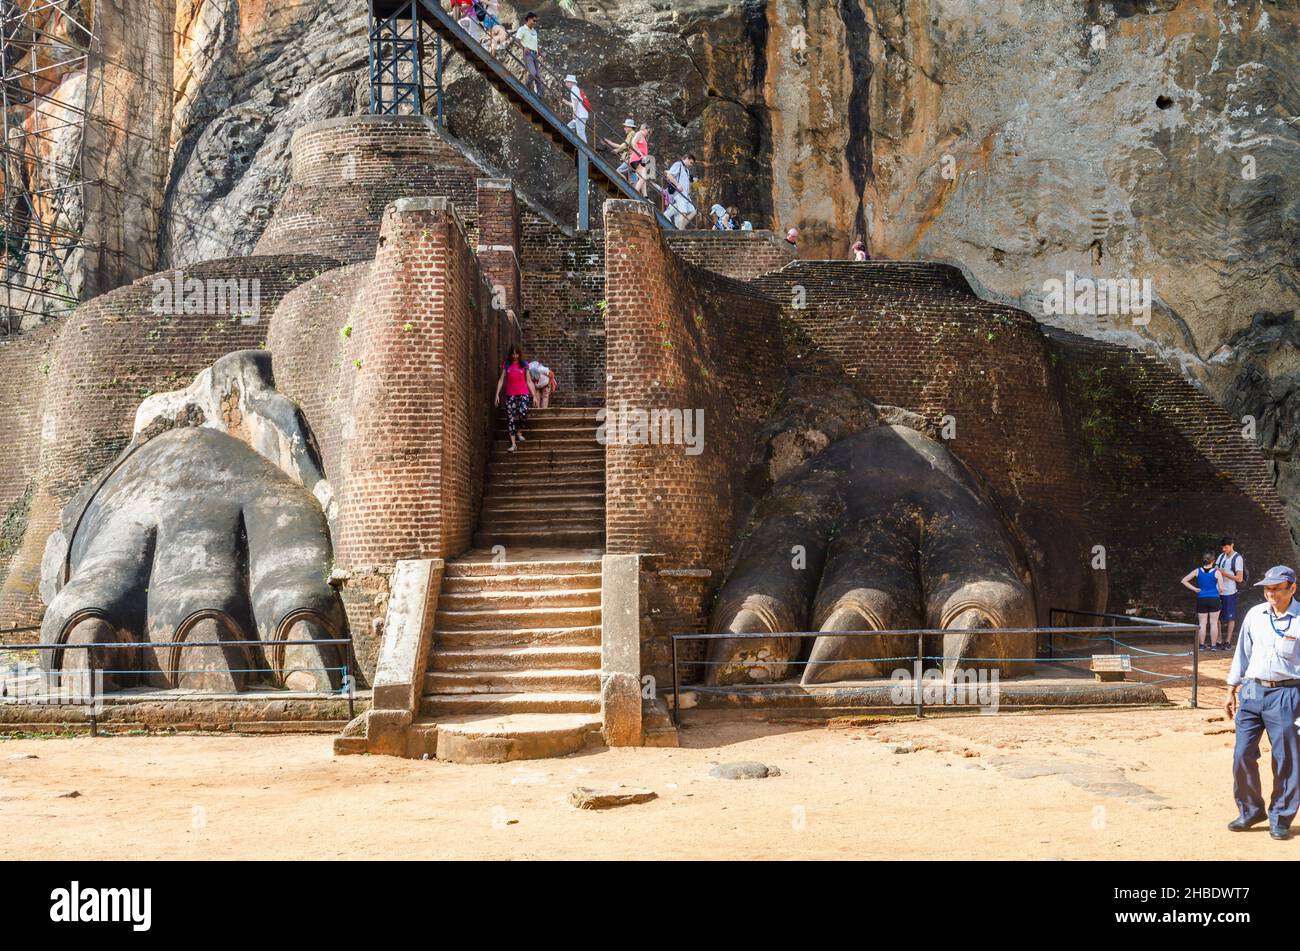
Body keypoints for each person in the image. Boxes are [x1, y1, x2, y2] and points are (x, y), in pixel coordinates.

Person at [1225, 565, 1300, 840]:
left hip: (1287, 693)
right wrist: (1231, 687)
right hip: (1252, 691)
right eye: (1267, 588)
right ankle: (1250, 810)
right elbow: (1242, 653)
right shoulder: (1255, 615)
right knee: (1242, 753)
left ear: (1292, 588)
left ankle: (1280, 816)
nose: (1271, 594)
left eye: (1277, 589)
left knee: (1286, 759)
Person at [1181, 551, 1225, 651]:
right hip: (1214, 599)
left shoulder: (1197, 571)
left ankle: (1201, 645)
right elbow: (1221, 589)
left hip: (1202, 598)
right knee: (1213, 623)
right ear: (1213, 561)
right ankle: (1213, 646)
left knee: (1202, 623)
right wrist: (1217, 590)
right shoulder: (1217, 572)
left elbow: (1183, 580)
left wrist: (1194, 588)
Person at [494, 346, 533, 451]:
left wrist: (534, 396)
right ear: (510, 354)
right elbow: (501, 380)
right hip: (510, 395)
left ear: (519, 354)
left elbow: (529, 381)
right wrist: (497, 394)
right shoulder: (506, 364)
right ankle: (513, 444)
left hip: (523, 393)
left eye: (517, 354)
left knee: (523, 412)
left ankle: (519, 431)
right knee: (510, 419)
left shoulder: (524, 364)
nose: (515, 356)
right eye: (513, 354)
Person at [1217, 536, 1246, 648]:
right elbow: (1216, 566)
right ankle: (1218, 640)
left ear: (1232, 545)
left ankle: (1228, 641)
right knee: (1217, 617)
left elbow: (1239, 578)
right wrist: (1216, 569)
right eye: (1223, 547)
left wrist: (1224, 574)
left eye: (1226, 547)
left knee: (1230, 617)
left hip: (1230, 591)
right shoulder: (1221, 556)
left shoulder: (1237, 558)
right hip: (1218, 590)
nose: (1224, 550)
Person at [514, 12, 543, 98]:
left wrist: (541, 53)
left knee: (538, 75)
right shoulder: (522, 29)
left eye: (536, 21)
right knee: (533, 73)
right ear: (529, 19)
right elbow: (516, 41)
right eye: (534, 20)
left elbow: (535, 44)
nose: (535, 23)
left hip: (535, 54)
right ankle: (527, 85)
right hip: (528, 54)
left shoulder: (534, 31)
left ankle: (539, 94)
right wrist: (523, 47)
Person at [664, 153, 697, 228]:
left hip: (685, 195)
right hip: (679, 194)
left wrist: (692, 182)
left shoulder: (687, 170)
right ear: (687, 159)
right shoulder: (678, 164)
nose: (691, 165)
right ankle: (681, 232)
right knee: (683, 212)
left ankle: (679, 228)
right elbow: (669, 175)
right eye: (691, 162)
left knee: (693, 211)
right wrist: (677, 185)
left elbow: (685, 184)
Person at [602, 119, 638, 185]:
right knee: (632, 174)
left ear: (630, 127)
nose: (624, 128)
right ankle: (636, 189)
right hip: (634, 159)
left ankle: (626, 186)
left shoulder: (632, 134)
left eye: (626, 127)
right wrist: (608, 142)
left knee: (618, 171)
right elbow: (620, 146)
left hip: (632, 158)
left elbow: (625, 145)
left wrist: (617, 150)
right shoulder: (631, 135)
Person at [564, 74, 589, 142]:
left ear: (571, 82)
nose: (566, 84)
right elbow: (577, 104)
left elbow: (576, 102)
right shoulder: (576, 89)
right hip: (581, 114)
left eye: (567, 82)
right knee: (568, 127)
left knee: (580, 132)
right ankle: (571, 141)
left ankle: (584, 148)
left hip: (580, 115)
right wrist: (567, 102)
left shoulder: (574, 89)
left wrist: (574, 113)